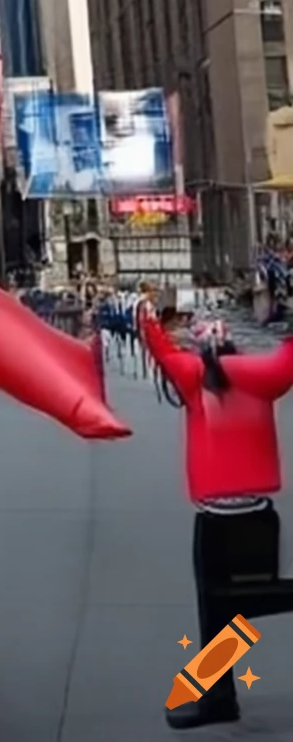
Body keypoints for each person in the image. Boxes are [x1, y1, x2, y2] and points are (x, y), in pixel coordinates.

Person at [140, 304, 293, 729]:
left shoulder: (193, 378)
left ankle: (218, 697)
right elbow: (289, 356)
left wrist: (147, 317)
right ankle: (217, 693)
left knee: (218, 613)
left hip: (215, 521)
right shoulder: (262, 378)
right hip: (260, 517)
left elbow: (158, 349)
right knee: (252, 602)